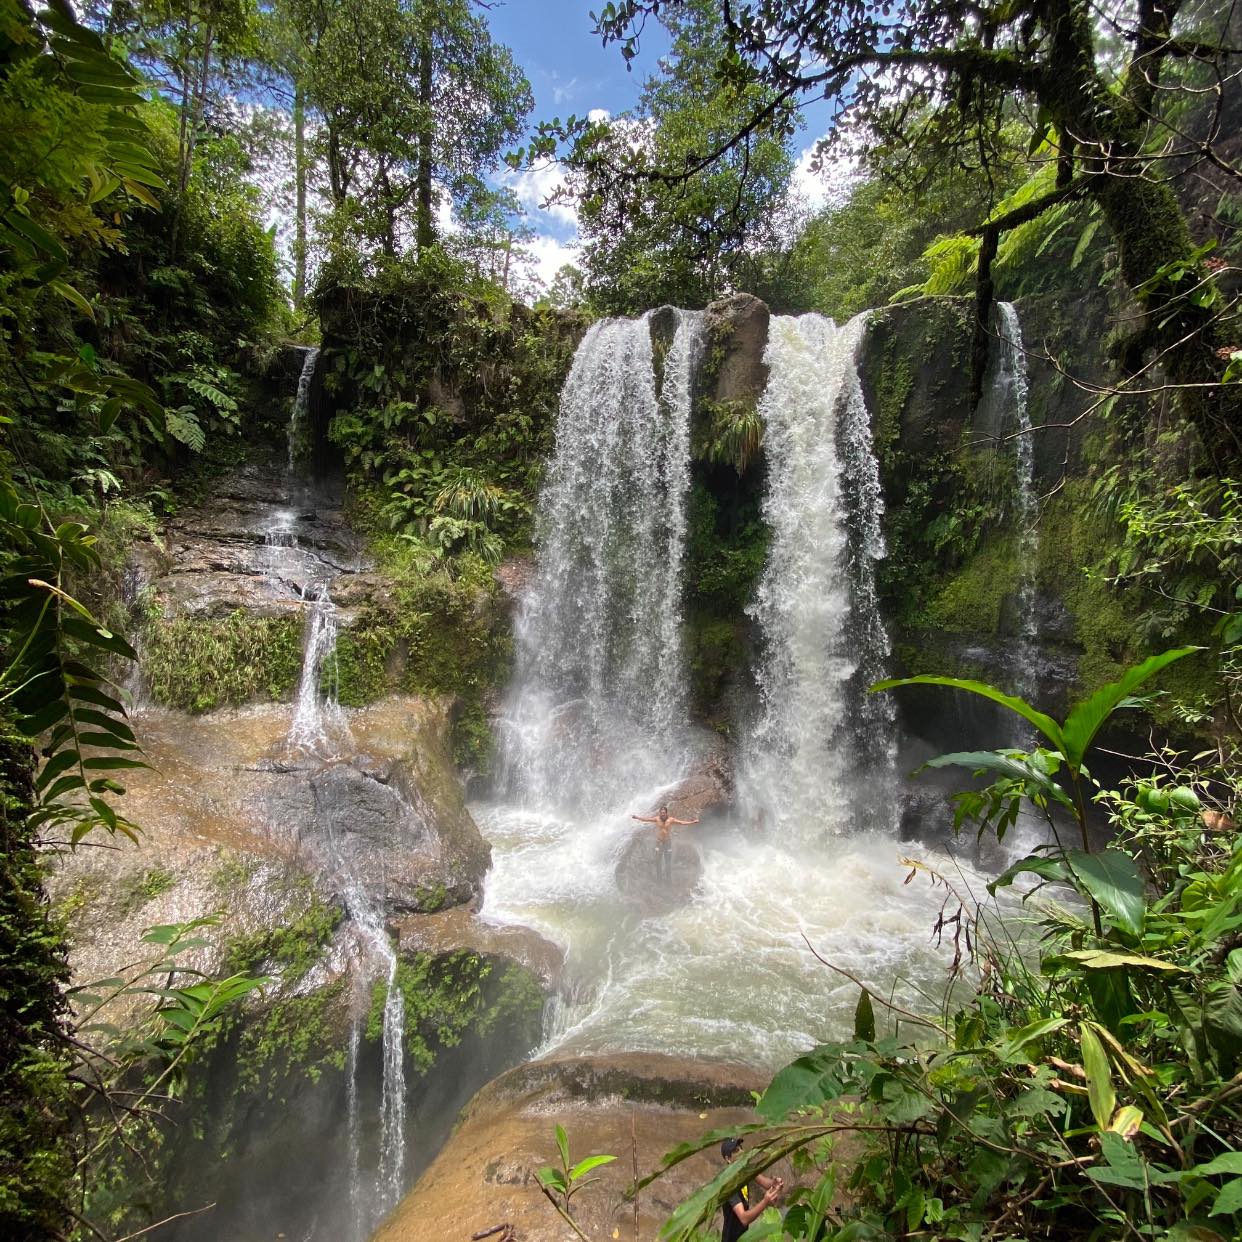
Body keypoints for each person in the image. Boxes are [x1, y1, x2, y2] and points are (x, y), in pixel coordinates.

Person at [719, 1136, 783, 1240]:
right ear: (728, 1159)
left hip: (745, 1235)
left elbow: (765, 1183)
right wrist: (765, 1202)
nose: (741, 1152)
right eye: (736, 1150)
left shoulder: (745, 1168)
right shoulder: (729, 1184)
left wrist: (775, 1183)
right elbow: (744, 1218)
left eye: (740, 1148)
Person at [631, 803, 699, 882]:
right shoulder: (657, 819)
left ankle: (668, 879)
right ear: (659, 813)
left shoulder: (671, 820)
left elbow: (681, 822)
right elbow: (646, 819)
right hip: (659, 842)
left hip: (667, 842)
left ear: (666, 813)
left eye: (664, 813)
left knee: (668, 861)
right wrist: (637, 817)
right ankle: (659, 879)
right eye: (661, 813)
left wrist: (692, 822)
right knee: (658, 861)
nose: (662, 814)